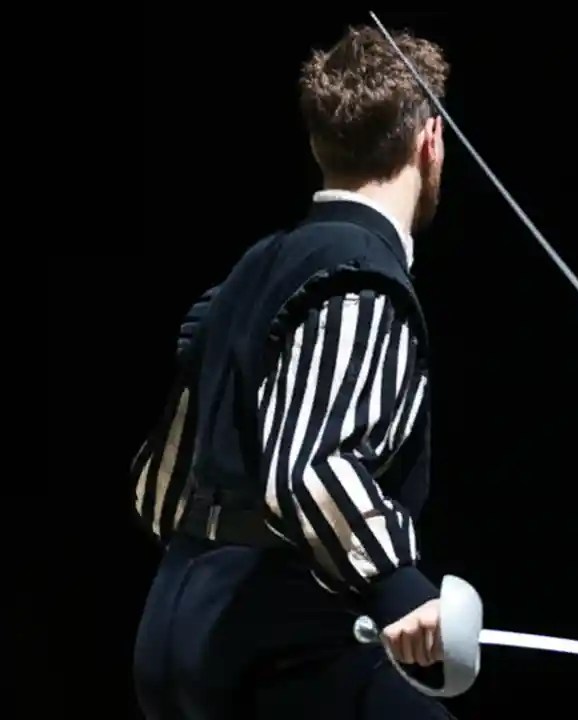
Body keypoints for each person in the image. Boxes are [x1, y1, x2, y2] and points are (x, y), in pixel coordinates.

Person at [131, 24, 456, 719]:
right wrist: (401, 587)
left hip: (175, 619)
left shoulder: (256, 264)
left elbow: (164, 475)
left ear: (318, 144)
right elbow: (312, 467)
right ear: (430, 141)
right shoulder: (362, 276)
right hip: (272, 635)